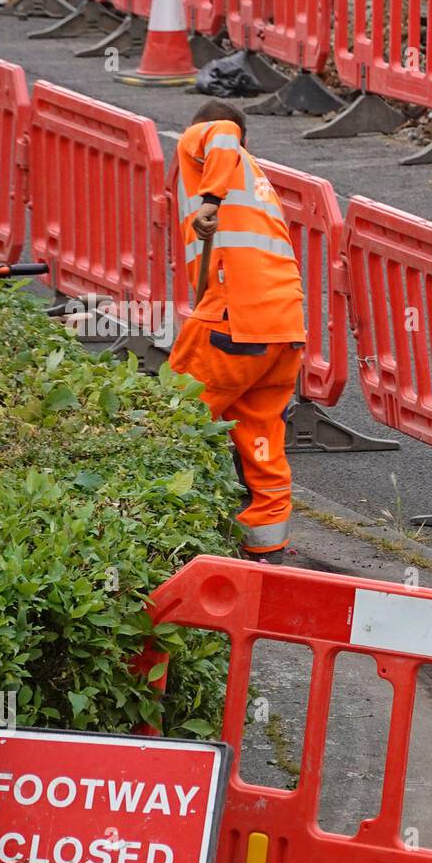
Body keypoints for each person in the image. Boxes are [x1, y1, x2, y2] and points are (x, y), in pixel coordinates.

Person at [168, 100, 306, 562]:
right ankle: (267, 551)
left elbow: (221, 129)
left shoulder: (202, 140)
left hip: (233, 319)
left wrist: (209, 200)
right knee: (260, 435)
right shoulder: (257, 187)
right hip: (282, 329)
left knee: (170, 419)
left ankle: (165, 535)